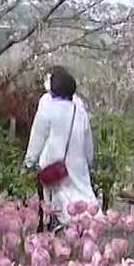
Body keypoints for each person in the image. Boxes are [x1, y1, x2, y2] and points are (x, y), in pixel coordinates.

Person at [24, 67, 98, 231]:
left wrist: (29, 162)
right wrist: (90, 161)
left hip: (53, 164)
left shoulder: (47, 108)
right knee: (82, 198)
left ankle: (59, 233)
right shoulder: (79, 109)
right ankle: (87, 229)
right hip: (78, 164)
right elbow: (88, 140)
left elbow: (37, 137)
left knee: (59, 201)